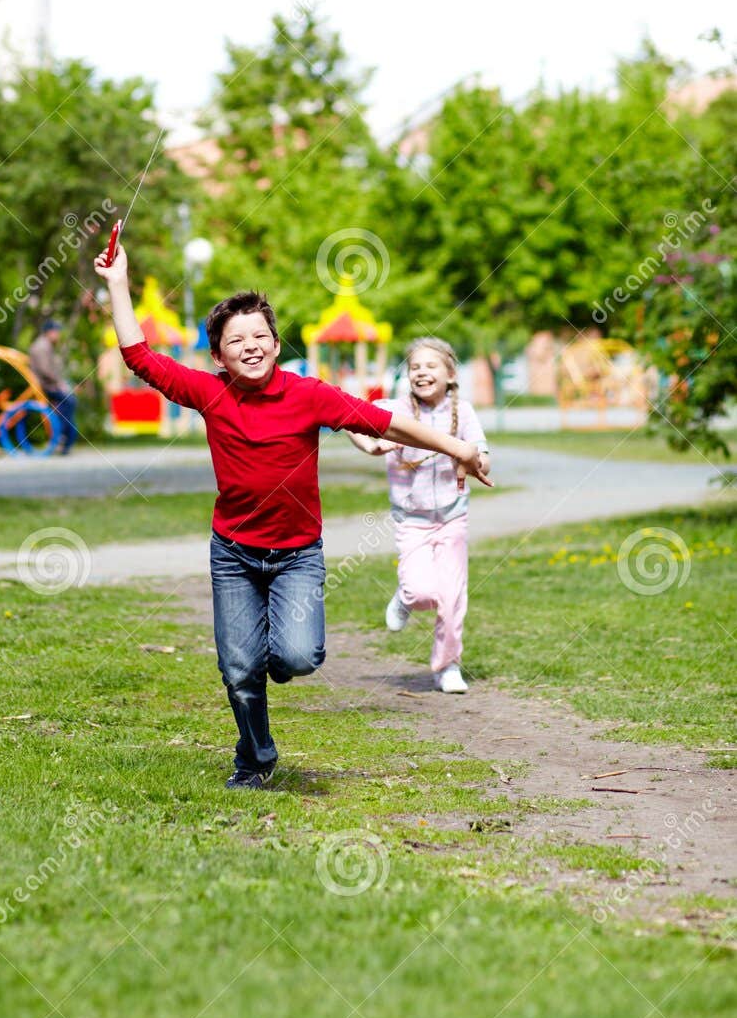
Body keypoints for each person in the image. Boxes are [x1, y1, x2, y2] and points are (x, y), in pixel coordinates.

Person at [95, 245, 491, 788]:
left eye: (259, 336)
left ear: (277, 345)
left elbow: (388, 425)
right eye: (236, 340)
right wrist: (118, 282)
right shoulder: (209, 394)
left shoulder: (308, 395)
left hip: (297, 556)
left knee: (299, 657)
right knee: (238, 671)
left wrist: (458, 448)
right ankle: (255, 759)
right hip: (233, 552)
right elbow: (139, 356)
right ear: (218, 357)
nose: (250, 347)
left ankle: (278, 655)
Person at [347, 336, 490, 693]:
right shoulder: (393, 410)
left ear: (451, 374)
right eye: (415, 367)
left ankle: (448, 666)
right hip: (412, 520)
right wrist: (372, 446)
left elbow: (482, 455)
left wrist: (472, 460)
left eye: (430, 366)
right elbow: (348, 418)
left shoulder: (464, 413)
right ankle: (404, 597)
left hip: (453, 517)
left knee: (453, 597)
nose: (421, 373)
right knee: (422, 591)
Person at [28, 319, 78, 454]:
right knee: (69, 401)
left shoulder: (46, 345)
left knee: (69, 402)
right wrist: (59, 384)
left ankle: (64, 439)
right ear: (49, 332)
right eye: (56, 332)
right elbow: (45, 371)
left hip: (50, 385)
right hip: (45, 386)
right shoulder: (41, 346)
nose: (58, 335)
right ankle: (61, 436)